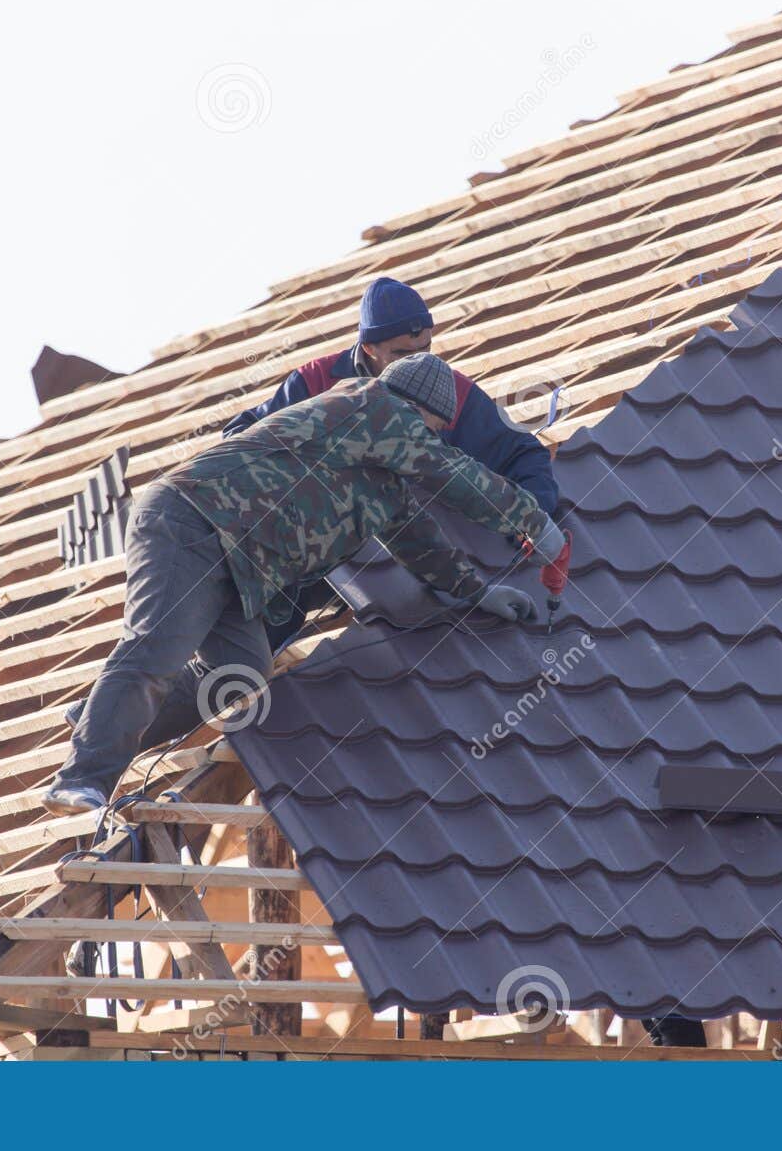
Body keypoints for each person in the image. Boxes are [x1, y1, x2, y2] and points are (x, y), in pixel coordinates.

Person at [44, 353, 565, 814]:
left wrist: (478, 592)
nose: (432, 439)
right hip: (195, 520)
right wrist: (535, 523)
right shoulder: (376, 407)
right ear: (422, 412)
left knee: (240, 672)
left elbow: (419, 541)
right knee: (158, 646)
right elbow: (455, 475)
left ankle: (101, 723)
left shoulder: (380, 469)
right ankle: (82, 777)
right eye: (433, 427)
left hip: (240, 560)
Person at [223, 276, 561, 649]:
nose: (421, 360)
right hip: (313, 552)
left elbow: (520, 451)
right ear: (368, 348)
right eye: (402, 354)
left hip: (413, 547)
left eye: (427, 348)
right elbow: (242, 439)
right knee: (261, 630)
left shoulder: (445, 390)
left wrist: (534, 510)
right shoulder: (315, 382)